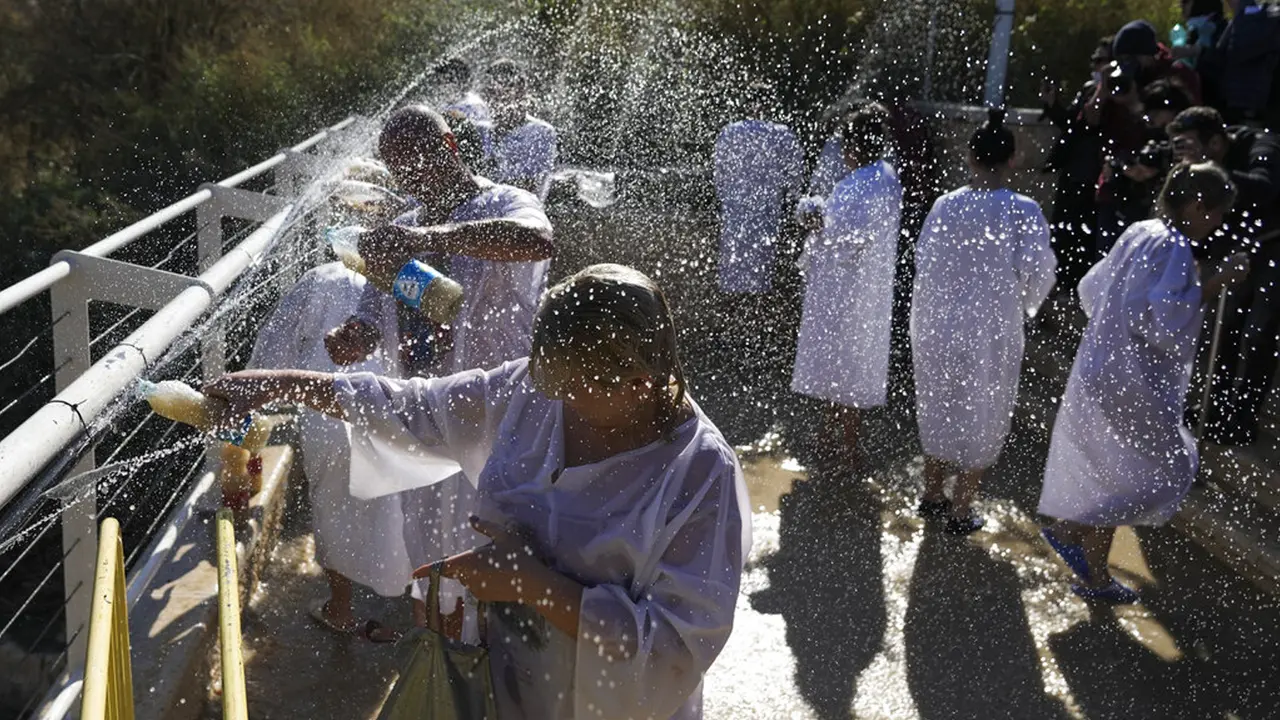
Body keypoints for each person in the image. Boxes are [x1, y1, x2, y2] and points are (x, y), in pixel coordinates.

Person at [204, 264, 751, 720]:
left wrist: (529, 582)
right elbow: (412, 408)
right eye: (548, 383)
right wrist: (280, 384)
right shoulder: (534, 391)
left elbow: (676, 648)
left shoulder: (700, 474)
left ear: (640, 383)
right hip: (503, 675)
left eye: (574, 393)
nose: (556, 404)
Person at [1038, 163, 1248, 603]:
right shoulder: (1173, 247)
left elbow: (1092, 289)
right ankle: (1069, 529)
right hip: (1132, 378)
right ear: (1195, 205)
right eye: (1215, 216)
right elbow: (1164, 321)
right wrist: (1214, 284)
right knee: (1163, 472)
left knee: (1119, 472)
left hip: (1101, 366)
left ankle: (1091, 572)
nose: (1216, 226)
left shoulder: (1139, 230)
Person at [910, 108, 1058, 535]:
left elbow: (924, 262)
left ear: (969, 158)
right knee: (984, 411)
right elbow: (1039, 272)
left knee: (937, 403)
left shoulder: (945, 205)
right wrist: (1025, 304)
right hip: (991, 330)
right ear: (1012, 160)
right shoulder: (1023, 210)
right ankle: (961, 509)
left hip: (939, 326)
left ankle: (932, 494)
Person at [249, 260, 414, 636]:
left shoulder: (319, 277)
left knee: (332, 507)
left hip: (327, 408)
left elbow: (275, 346)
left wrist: (255, 391)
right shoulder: (412, 276)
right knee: (400, 508)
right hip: (393, 405)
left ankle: (341, 608)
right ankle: (417, 615)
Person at [790, 103, 902, 471]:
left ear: (852, 149)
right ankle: (829, 437)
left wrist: (815, 222)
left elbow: (841, 240)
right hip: (867, 290)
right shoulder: (885, 176)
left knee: (845, 367)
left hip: (845, 292)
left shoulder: (855, 185)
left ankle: (847, 452)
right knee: (848, 365)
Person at [1167, 106, 1280, 445]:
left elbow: (1263, 189)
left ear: (1216, 142)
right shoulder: (1206, 161)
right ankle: (1212, 409)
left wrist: (1210, 168)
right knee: (1225, 325)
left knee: (1259, 334)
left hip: (1275, 246)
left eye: (1190, 145)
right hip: (1240, 246)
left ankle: (1243, 418)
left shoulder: (1263, 146)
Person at [712, 81, 805, 296]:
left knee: (733, 265)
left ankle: (730, 314)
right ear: (770, 105)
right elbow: (794, 180)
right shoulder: (782, 135)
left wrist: (726, 199)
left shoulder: (729, 133)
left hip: (735, 212)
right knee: (762, 268)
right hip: (766, 213)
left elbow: (720, 176)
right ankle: (758, 311)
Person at [1040, 37, 1114, 300]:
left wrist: (1104, 88)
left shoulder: (1115, 93)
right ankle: (1056, 287)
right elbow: (1074, 124)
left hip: (1094, 178)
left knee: (1084, 240)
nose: (1096, 65)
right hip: (1073, 172)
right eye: (1095, 61)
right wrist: (1053, 105)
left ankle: (1075, 291)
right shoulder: (1087, 88)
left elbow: (1093, 119)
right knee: (1062, 233)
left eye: (1102, 60)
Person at [482, 59, 559, 196]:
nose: (494, 97)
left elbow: (531, 184)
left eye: (503, 89)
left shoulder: (540, 132)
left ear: (522, 91)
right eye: (490, 91)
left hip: (521, 212)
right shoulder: (482, 131)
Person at [434, 57, 493, 125]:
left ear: (461, 80)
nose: (442, 85)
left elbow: (483, 129)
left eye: (449, 80)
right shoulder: (445, 105)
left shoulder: (474, 105)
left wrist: (463, 120)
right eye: (439, 81)